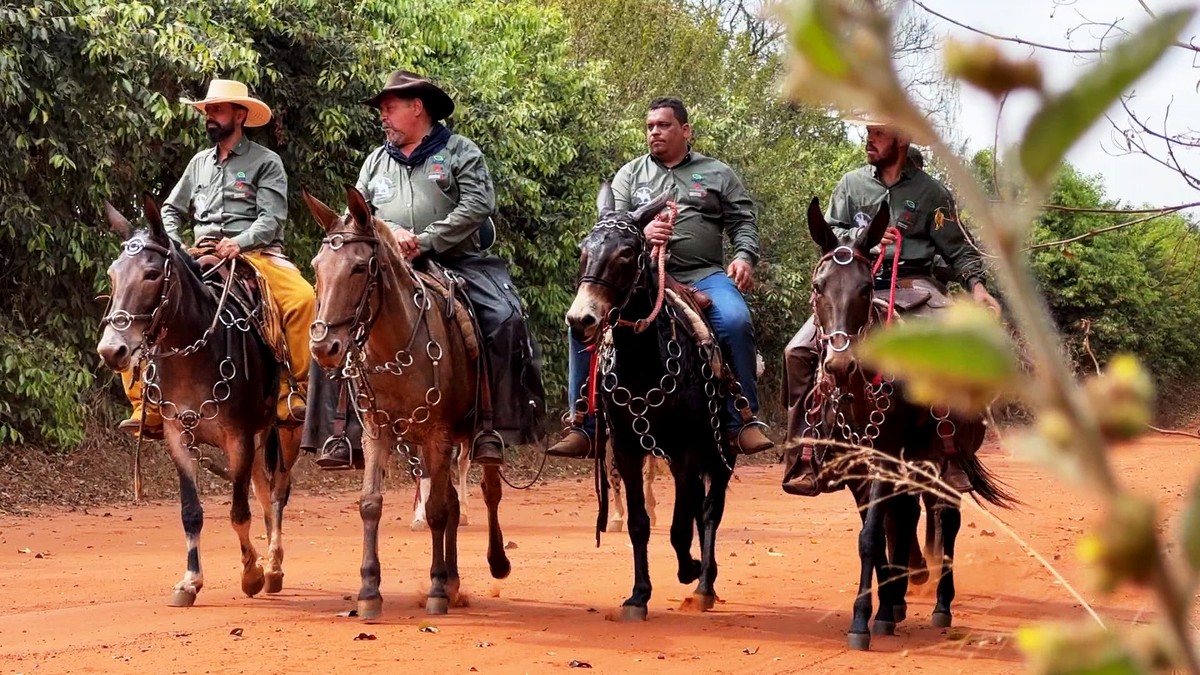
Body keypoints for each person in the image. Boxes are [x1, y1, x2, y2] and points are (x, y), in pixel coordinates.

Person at [313, 70, 546, 468]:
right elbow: (359, 216)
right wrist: (391, 235)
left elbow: (476, 205)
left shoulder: (460, 151)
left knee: (505, 318)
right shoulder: (375, 161)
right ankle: (339, 434)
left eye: (389, 108)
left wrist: (424, 240)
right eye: (382, 110)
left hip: (459, 260)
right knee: (332, 318)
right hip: (388, 265)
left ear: (416, 107)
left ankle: (496, 424)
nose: (383, 117)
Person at [780, 112, 1001, 497]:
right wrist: (864, 239)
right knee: (797, 350)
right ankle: (805, 454)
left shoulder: (933, 194)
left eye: (878, 133)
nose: (869, 140)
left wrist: (978, 288)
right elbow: (831, 236)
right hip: (854, 284)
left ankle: (951, 449)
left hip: (917, 285)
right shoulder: (850, 185)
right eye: (868, 132)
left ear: (900, 139)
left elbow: (956, 248)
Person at [546, 96, 773, 459]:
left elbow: (743, 222)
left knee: (735, 320)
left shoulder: (717, 173)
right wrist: (644, 232)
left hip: (704, 275)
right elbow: (611, 229)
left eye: (663, 125)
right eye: (650, 126)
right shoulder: (630, 174)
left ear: (686, 130)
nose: (654, 132)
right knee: (580, 322)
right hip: (640, 279)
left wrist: (744, 257)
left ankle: (741, 420)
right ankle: (584, 425)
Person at [118, 79, 312, 438]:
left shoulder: (266, 162)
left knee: (303, 300)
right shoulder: (198, 164)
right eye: (208, 110)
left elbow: (271, 219)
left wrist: (239, 242)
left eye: (217, 110)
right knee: (135, 294)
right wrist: (173, 244)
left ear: (240, 115)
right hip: (199, 253)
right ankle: (144, 399)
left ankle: (295, 389)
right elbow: (171, 211)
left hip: (256, 254)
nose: (210, 116)